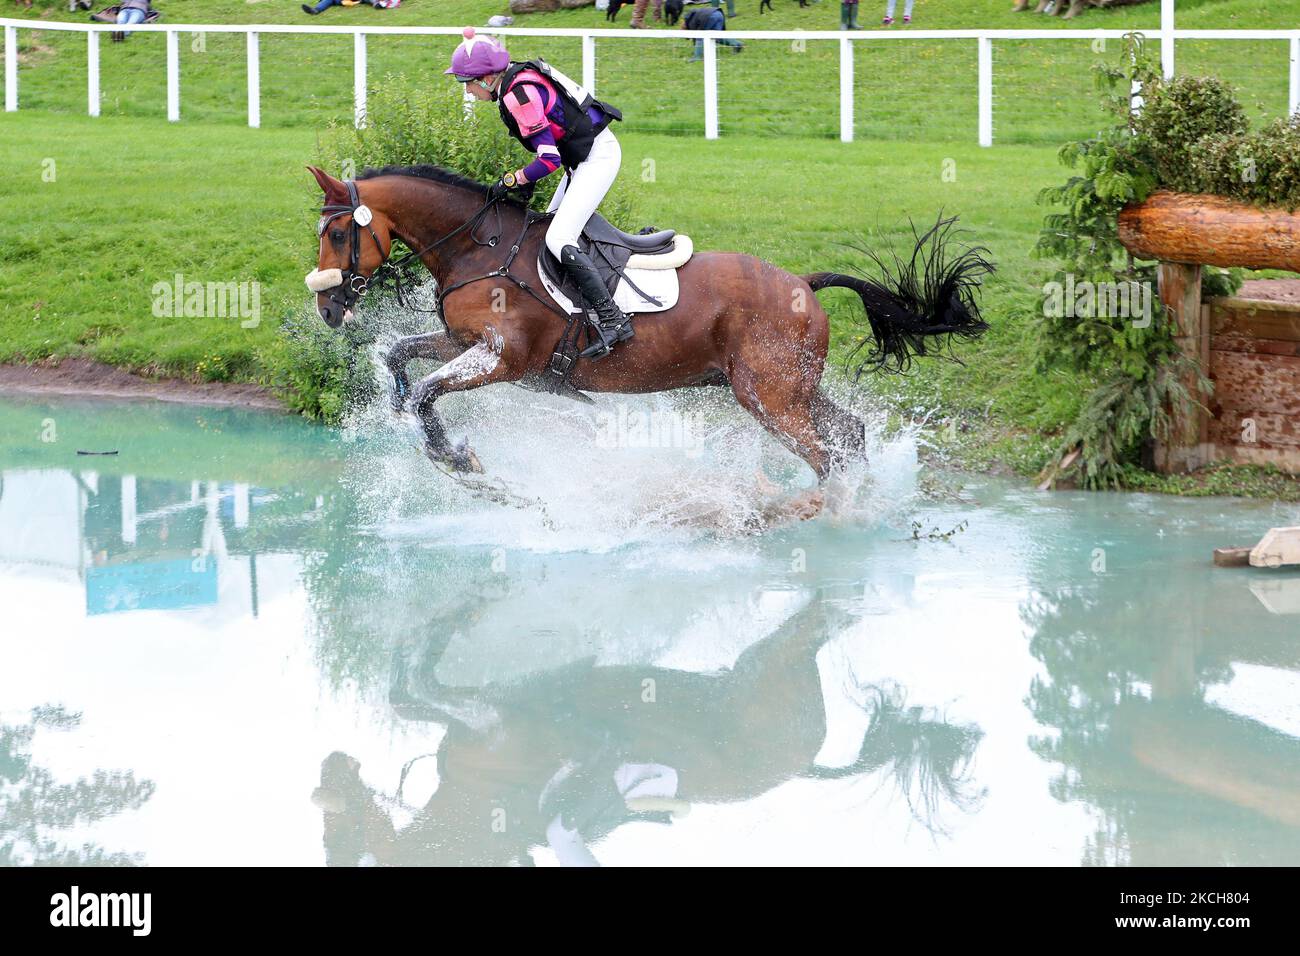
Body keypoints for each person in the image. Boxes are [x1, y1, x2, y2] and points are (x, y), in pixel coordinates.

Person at [445, 28, 633, 359]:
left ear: (487, 78)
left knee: (559, 239)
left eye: (468, 83)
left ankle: (613, 319)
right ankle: (571, 316)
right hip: (582, 159)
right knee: (543, 233)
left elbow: (549, 159)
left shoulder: (516, 95)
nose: (468, 91)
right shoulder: (513, 82)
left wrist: (514, 178)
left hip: (596, 158)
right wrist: (522, 183)